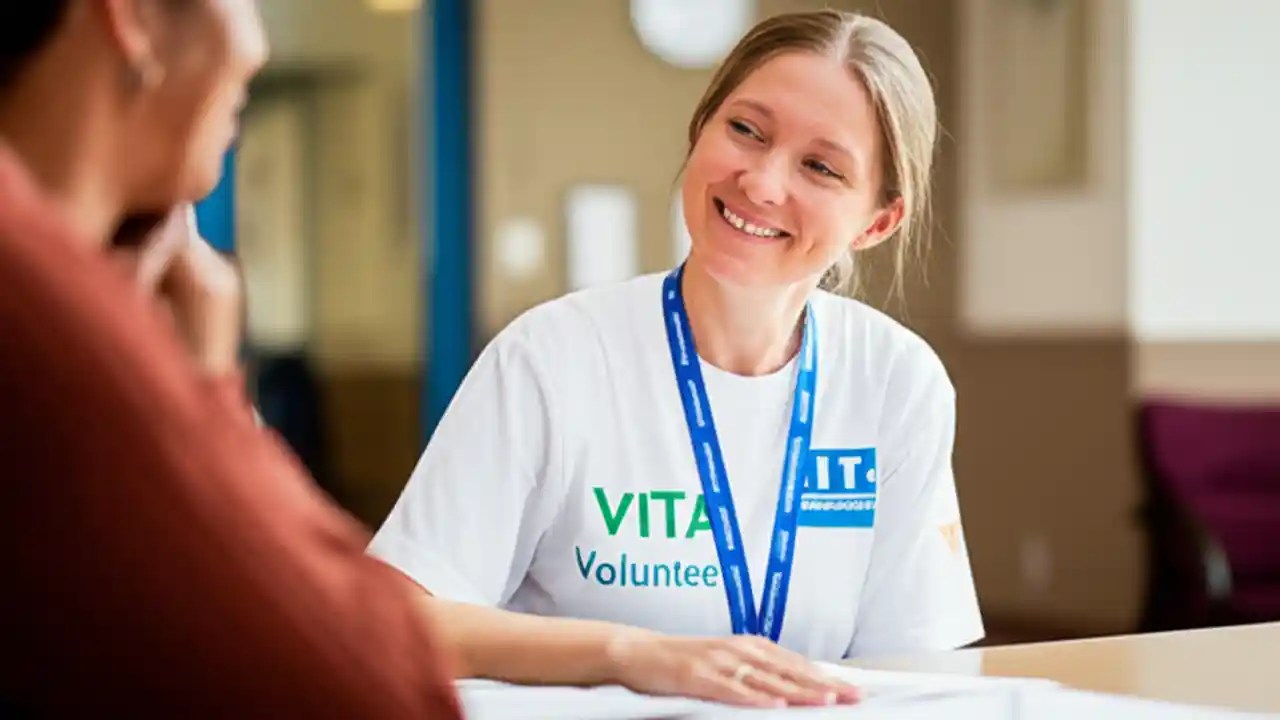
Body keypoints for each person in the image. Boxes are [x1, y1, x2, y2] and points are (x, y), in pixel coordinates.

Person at [370, 8, 983, 710]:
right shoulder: (551, 359)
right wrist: (629, 654)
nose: (762, 182)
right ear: (700, 131)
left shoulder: (897, 382)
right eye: (746, 130)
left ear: (877, 222)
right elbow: (393, 614)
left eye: (821, 166)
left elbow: (914, 668)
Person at [0, 2, 460, 716]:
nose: (257, 47)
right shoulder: (30, 290)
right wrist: (201, 388)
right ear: (132, 17)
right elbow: (379, 689)